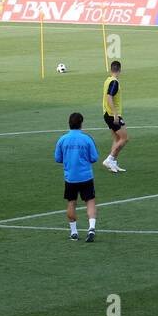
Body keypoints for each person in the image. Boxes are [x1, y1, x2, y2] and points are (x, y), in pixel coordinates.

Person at [54, 112, 100, 242]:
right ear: (81, 124)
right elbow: (94, 158)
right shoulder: (87, 138)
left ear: (69, 123)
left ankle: (74, 232)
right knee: (90, 201)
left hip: (70, 178)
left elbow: (58, 158)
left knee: (71, 203)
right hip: (86, 176)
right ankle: (91, 228)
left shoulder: (62, 139)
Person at [101, 60, 128, 172]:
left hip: (107, 113)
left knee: (117, 138)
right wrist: (116, 114)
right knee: (124, 138)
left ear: (111, 69)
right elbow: (109, 97)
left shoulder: (108, 80)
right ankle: (109, 159)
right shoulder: (114, 82)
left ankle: (113, 163)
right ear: (120, 70)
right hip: (112, 115)